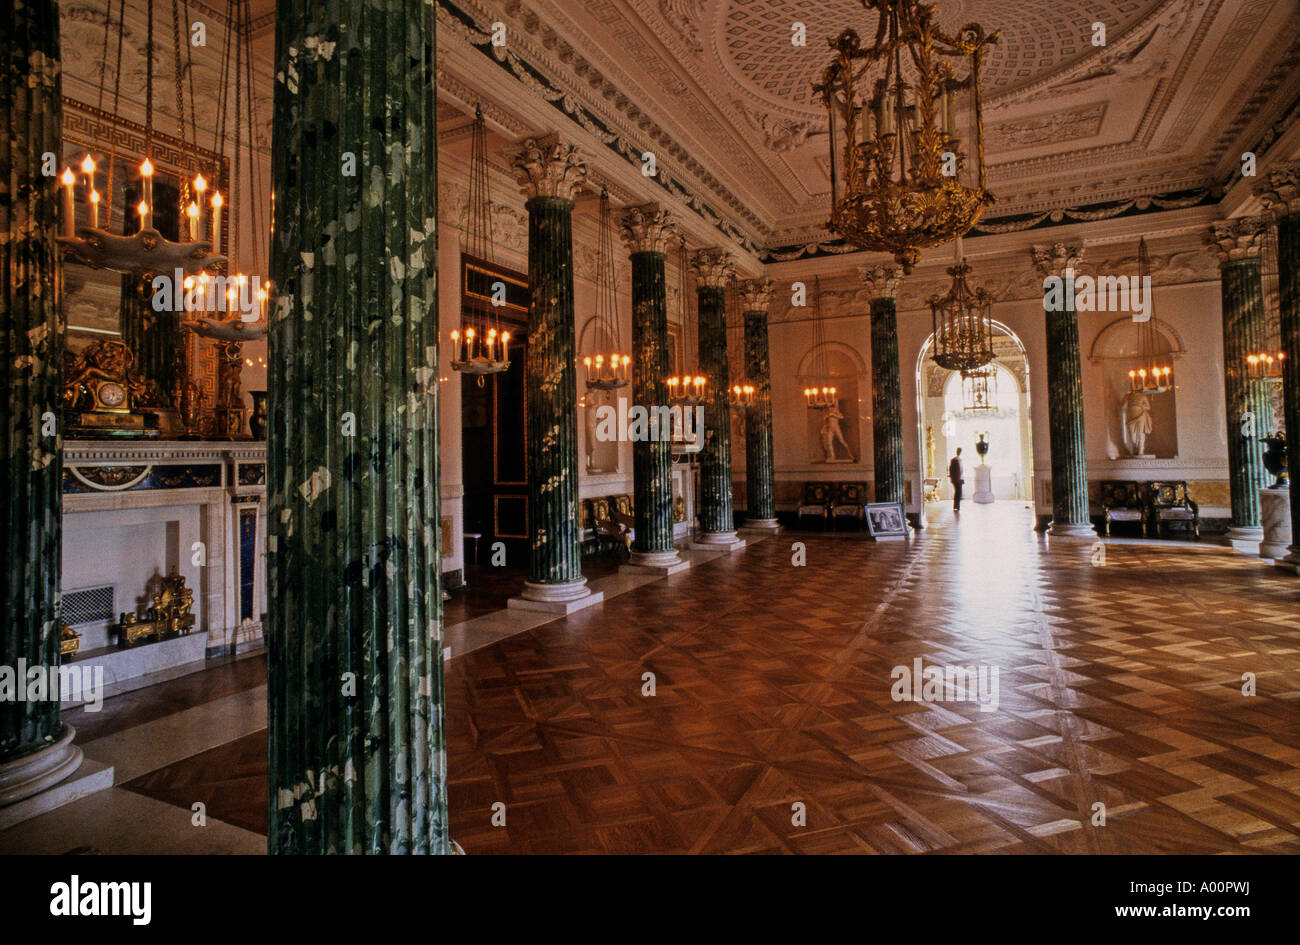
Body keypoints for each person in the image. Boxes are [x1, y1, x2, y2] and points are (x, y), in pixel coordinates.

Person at [949, 447, 964, 512]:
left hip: (959, 479)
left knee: (959, 492)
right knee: (957, 492)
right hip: (956, 480)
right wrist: (952, 478)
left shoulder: (959, 460)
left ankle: (957, 506)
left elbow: (960, 471)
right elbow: (951, 470)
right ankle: (956, 506)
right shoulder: (954, 460)